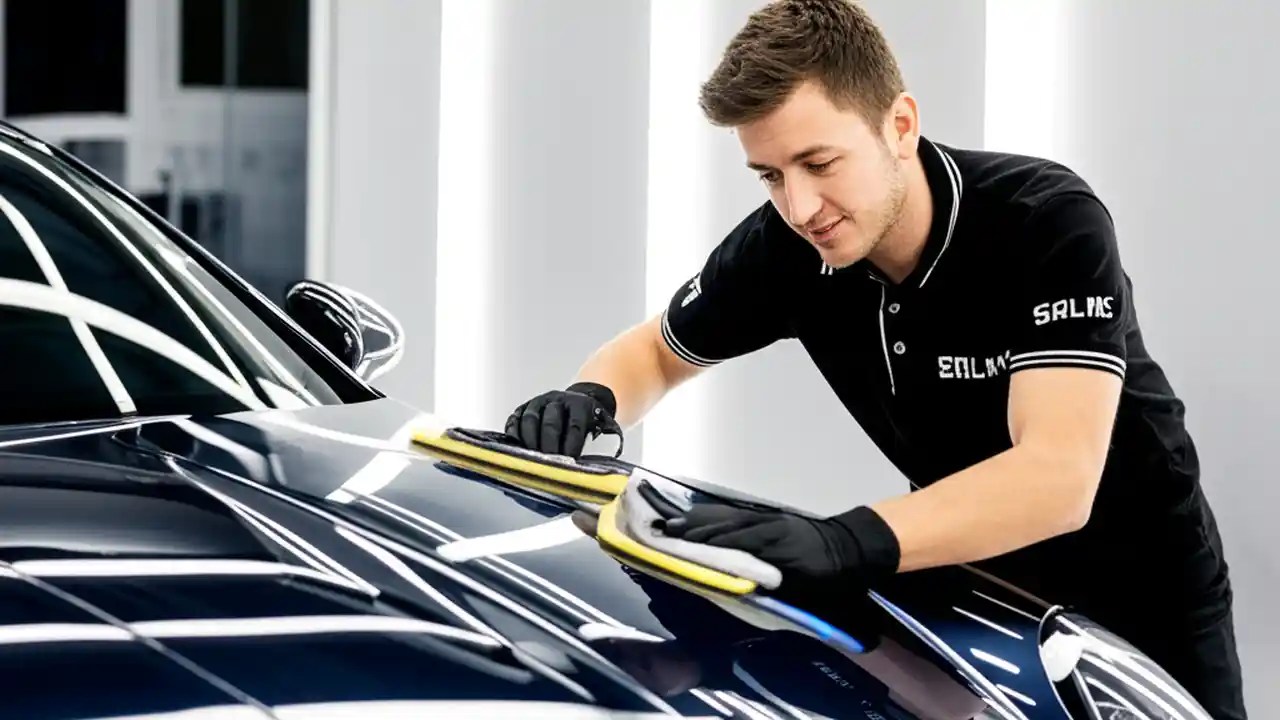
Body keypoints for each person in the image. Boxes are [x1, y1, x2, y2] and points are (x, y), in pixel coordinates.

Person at [502, 0, 1246, 715]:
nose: (800, 207)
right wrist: (591, 397)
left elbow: (1057, 476)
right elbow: (656, 354)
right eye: (770, 175)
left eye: (819, 162)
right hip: (970, 576)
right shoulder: (786, 248)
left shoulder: (1044, 220)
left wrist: (843, 541)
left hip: (1146, 593)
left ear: (900, 125)